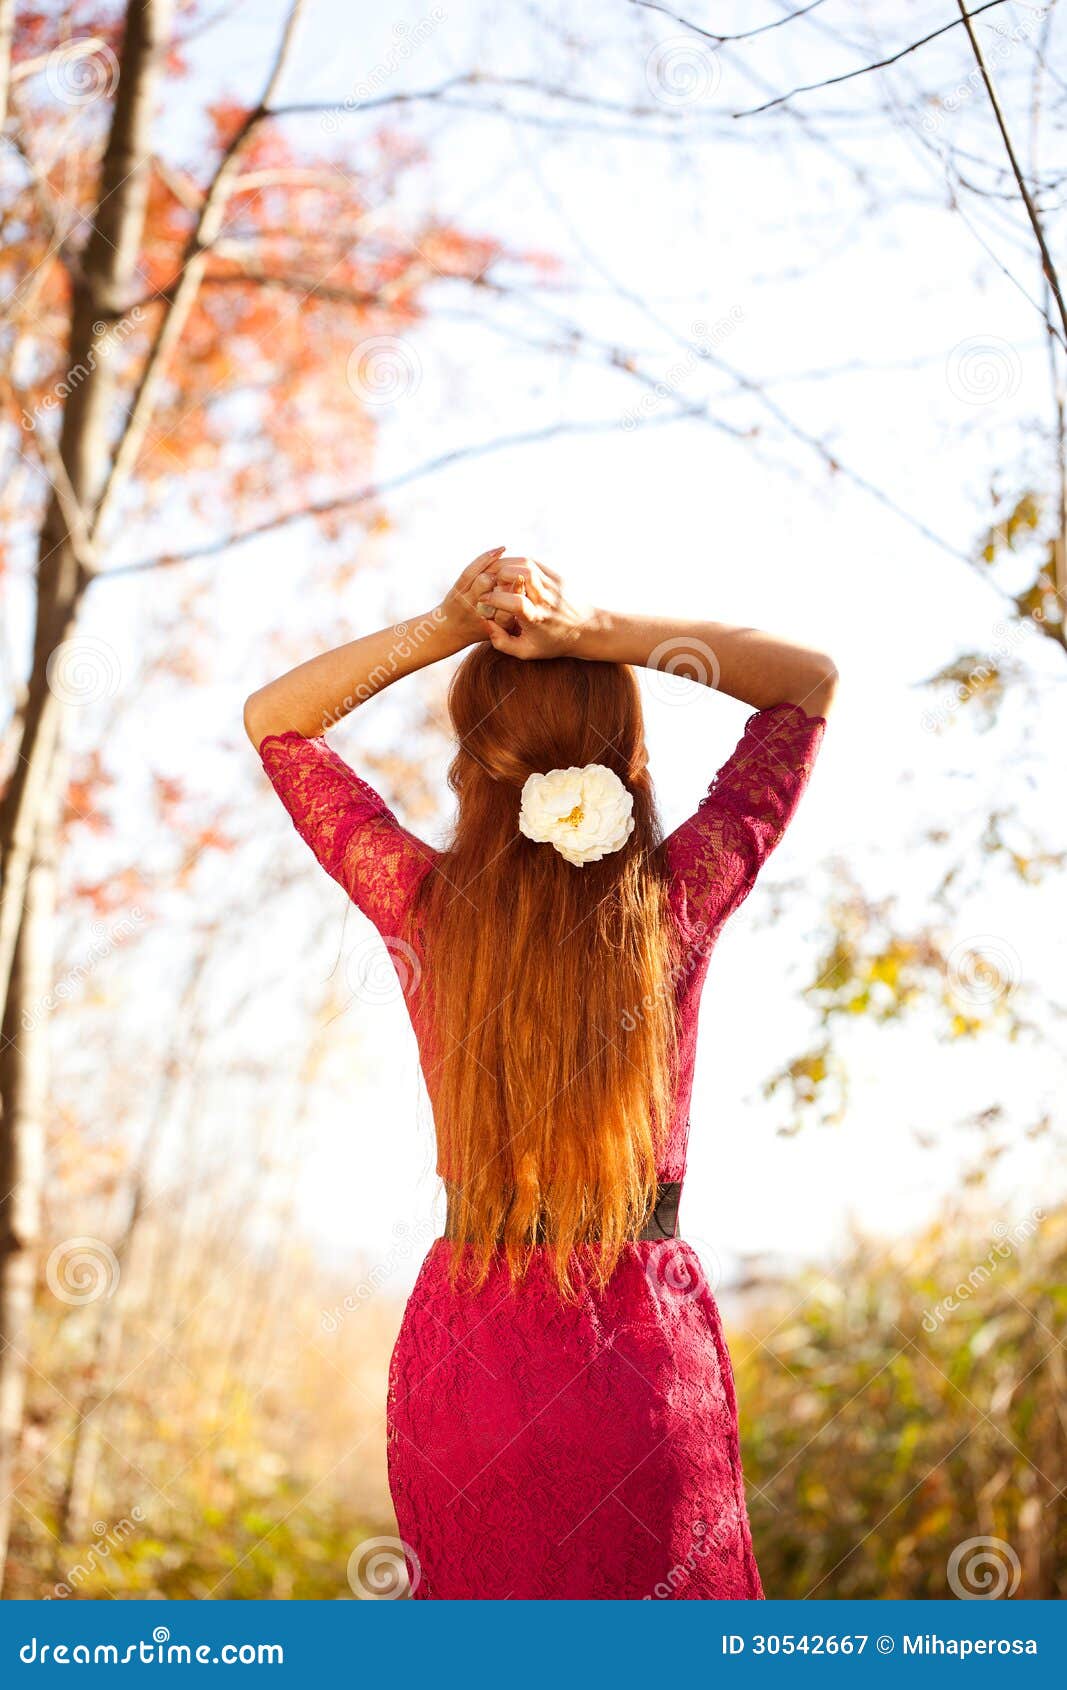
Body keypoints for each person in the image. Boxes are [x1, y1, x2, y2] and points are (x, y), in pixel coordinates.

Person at [244, 549, 837, 1600]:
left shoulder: (424, 910)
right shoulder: (676, 902)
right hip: (638, 1365)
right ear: (625, 750)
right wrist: (594, 630)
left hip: (466, 1361)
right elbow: (806, 682)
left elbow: (276, 722)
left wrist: (442, 625)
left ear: (475, 756)